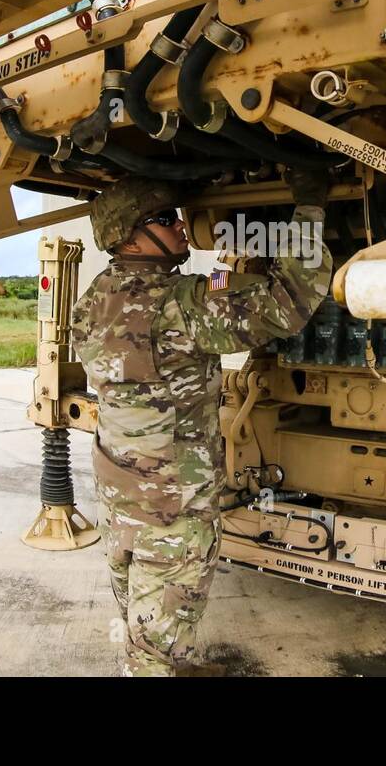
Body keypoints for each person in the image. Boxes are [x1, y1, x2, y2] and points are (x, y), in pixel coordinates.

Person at [69, 169, 332, 676]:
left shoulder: (94, 299)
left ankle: (173, 664)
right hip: (174, 495)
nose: (182, 228)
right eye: (165, 220)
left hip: (121, 485)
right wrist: (310, 208)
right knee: (164, 616)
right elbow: (286, 303)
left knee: (141, 603)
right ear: (129, 235)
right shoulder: (177, 303)